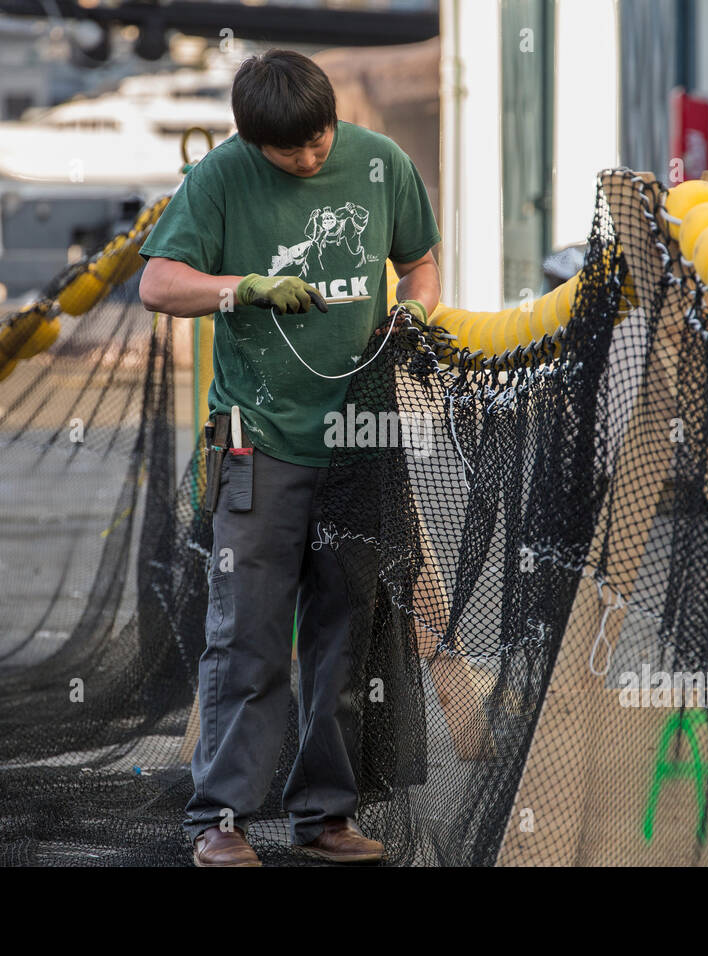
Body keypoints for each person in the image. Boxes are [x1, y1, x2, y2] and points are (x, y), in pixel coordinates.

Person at [138, 48, 442, 867]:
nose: (310, 158)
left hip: (360, 443)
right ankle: (222, 819)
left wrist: (413, 314)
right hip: (260, 440)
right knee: (250, 638)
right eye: (290, 151)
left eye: (320, 139)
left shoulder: (382, 165)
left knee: (348, 636)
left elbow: (420, 263)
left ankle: (325, 816)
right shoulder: (220, 178)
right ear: (252, 142)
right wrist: (243, 287)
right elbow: (159, 284)